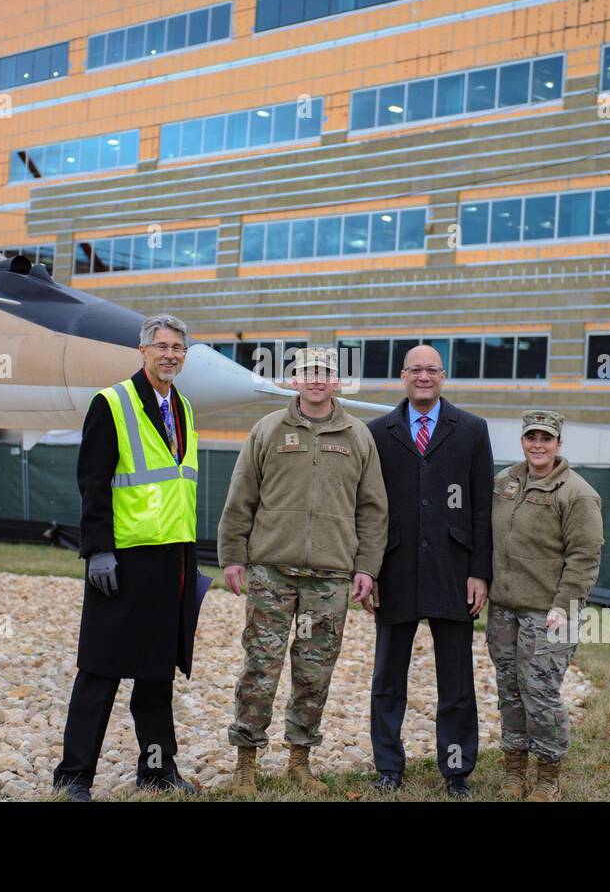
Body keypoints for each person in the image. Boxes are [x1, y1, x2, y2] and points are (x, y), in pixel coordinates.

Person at [219, 346, 387, 796]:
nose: (316, 379)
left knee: (314, 673)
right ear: (293, 381)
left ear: (337, 383)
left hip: (330, 579)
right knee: (260, 667)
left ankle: (299, 761)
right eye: (307, 372)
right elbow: (241, 499)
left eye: (326, 373)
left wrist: (366, 567)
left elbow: (373, 510)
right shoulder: (268, 430)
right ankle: (246, 763)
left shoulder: (357, 436)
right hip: (272, 573)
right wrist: (233, 555)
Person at [52, 313, 205, 801]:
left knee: (157, 672)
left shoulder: (184, 407)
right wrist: (97, 550)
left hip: (172, 560)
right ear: (142, 351)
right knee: (100, 669)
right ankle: (74, 778)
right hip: (121, 562)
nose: (169, 355)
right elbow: (92, 482)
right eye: (160, 346)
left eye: (177, 348)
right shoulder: (112, 403)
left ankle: (157, 770)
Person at [365, 345, 494, 797]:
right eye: (415, 370)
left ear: (444, 377)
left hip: (454, 571)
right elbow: (368, 507)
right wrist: (370, 569)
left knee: (456, 680)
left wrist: (480, 572)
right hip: (394, 568)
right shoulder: (377, 432)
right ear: (402, 376)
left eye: (431, 370)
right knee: (387, 678)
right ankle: (388, 767)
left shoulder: (473, 431)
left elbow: (482, 507)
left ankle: (456, 769)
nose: (423, 376)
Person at [488, 409, 603, 801]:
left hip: (550, 611)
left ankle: (547, 777)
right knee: (510, 691)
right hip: (504, 608)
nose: (538, 445)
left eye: (546, 439)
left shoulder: (577, 493)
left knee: (540, 693)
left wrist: (564, 605)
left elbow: (585, 557)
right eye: (531, 437)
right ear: (522, 440)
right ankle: (514, 771)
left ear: (558, 443)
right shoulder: (504, 483)